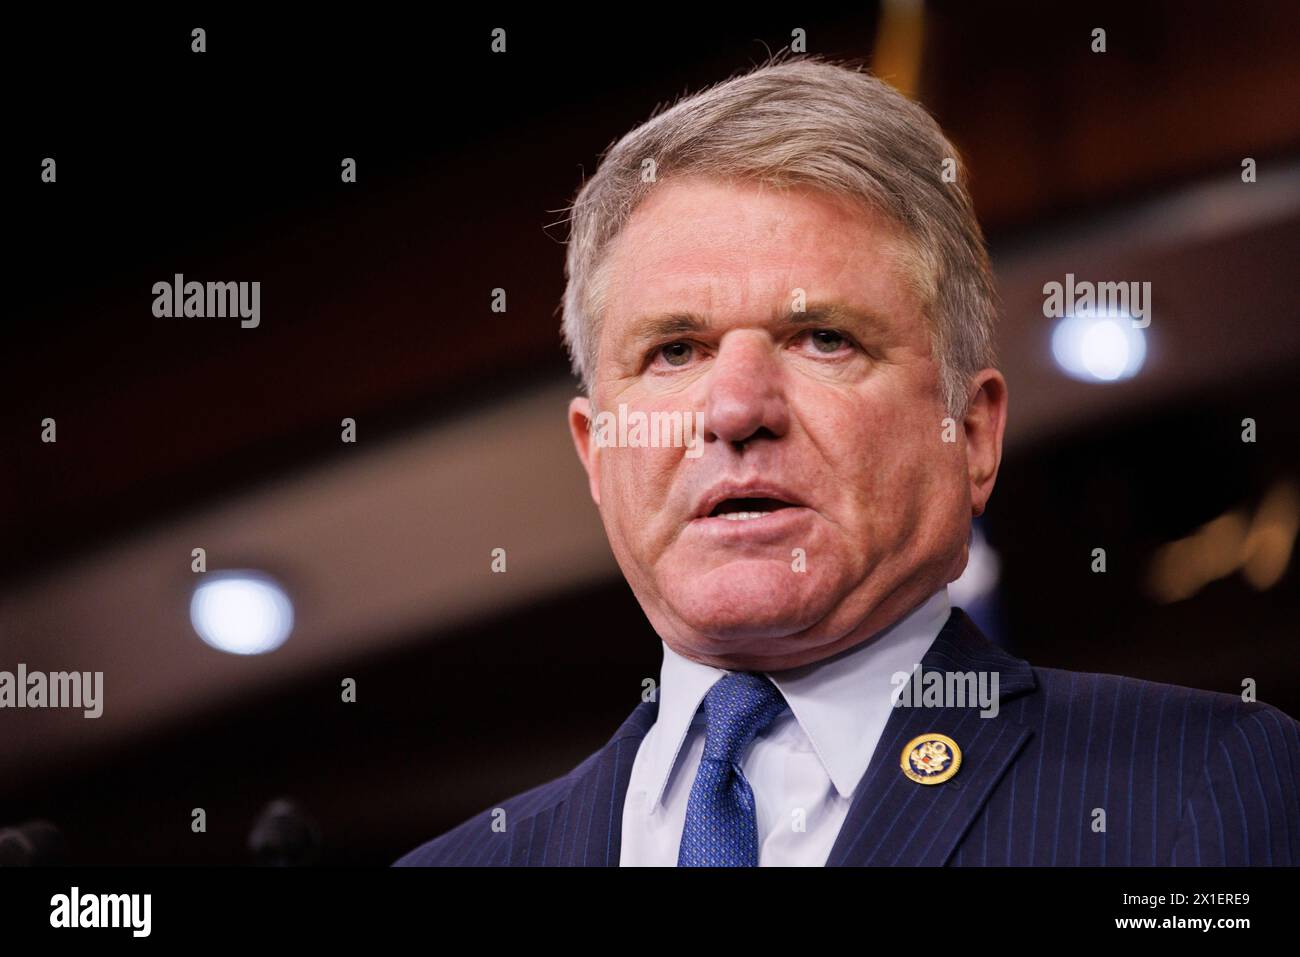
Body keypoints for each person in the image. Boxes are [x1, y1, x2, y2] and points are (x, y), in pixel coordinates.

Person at [395, 56, 1300, 866]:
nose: (737, 409)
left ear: (972, 435)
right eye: (675, 349)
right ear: (597, 456)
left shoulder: (1195, 788)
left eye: (823, 338)